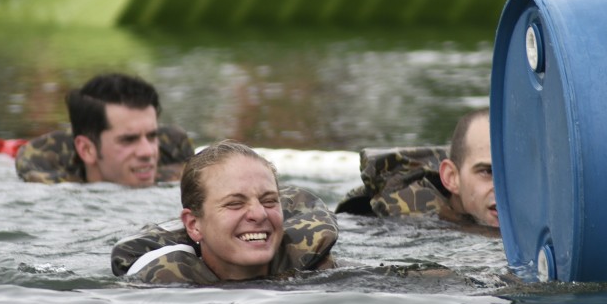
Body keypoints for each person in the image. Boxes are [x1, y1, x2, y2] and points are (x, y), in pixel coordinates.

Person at [111, 140, 338, 283]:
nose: (259, 214)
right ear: (193, 225)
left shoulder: (329, 277)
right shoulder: (157, 292)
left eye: (269, 201)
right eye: (235, 204)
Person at [15, 72, 194, 187]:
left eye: (152, 136)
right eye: (128, 140)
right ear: (87, 150)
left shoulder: (182, 166)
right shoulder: (49, 190)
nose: (147, 152)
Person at [336, 109, 499, 232]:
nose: (505, 188)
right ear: (451, 178)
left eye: (518, 174)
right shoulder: (395, 230)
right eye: (488, 172)